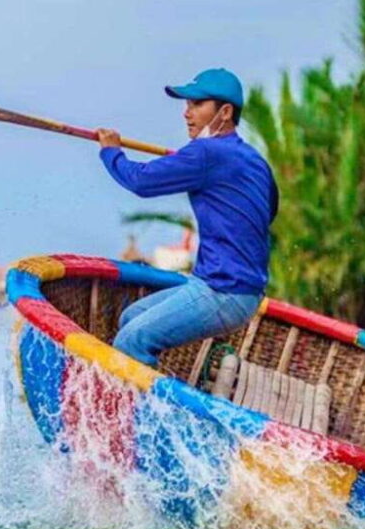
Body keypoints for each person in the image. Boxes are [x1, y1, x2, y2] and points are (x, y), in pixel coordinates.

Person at [96, 68, 279, 367]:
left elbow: (141, 182)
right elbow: (269, 209)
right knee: (132, 317)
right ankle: (156, 384)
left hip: (225, 292)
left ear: (225, 111)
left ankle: (151, 412)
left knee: (131, 341)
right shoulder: (251, 159)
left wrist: (111, 152)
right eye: (186, 105)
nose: (186, 113)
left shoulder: (206, 153)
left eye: (196, 105)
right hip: (230, 287)